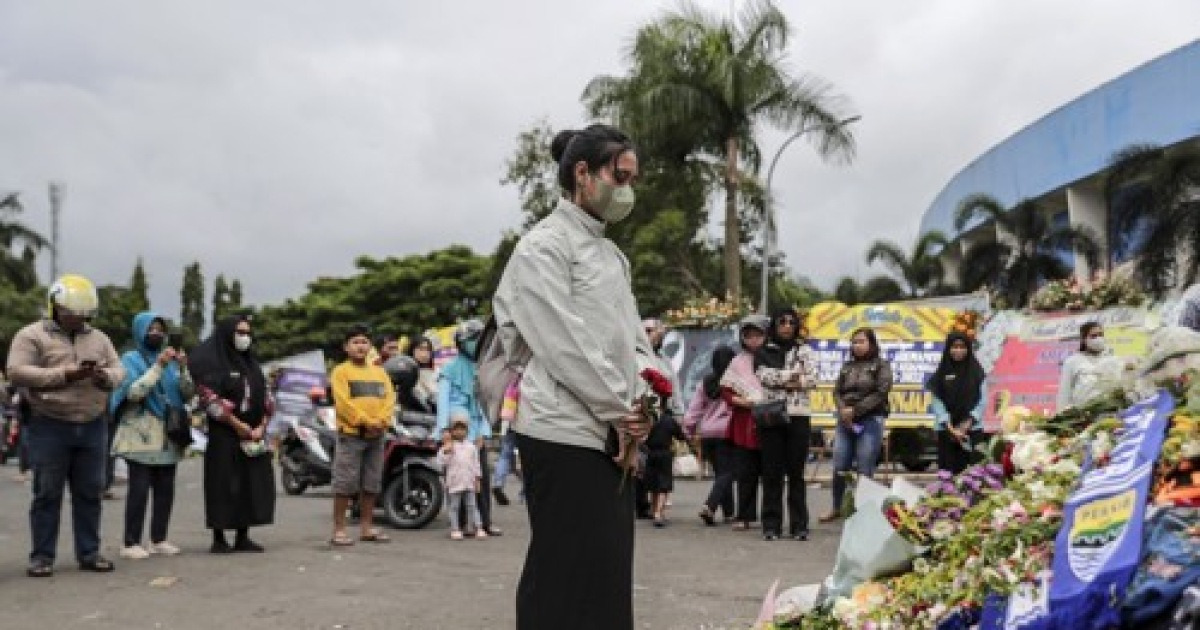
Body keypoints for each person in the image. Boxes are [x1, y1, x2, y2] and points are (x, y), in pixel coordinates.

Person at [493, 123, 649, 630]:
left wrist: (648, 401)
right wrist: (624, 412)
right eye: (618, 175)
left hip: (612, 433)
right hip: (561, 431)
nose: (626, 189)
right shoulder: (543, 247)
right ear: (583, 173)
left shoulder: (611, 255)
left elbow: (637, 345)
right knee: (562, 574)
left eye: (632, 179)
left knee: (605, 577)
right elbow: (564, 346)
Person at [7, 274, 125, 577]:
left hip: (92, 424)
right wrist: (65, 375)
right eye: (73, 312)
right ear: (55, 306)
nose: (79, 318)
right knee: (47, 493)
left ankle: (89, 552)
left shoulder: (99, 338)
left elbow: (118, 369)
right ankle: (42, 557)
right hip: (50, 425)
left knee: (90, 492)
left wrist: (104, 378)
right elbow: (17, 371)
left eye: (85, 313)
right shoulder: (31, 335)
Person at [110, 312, 195, 559]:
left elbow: (188, 394)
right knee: (139, 488)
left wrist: (182, 368)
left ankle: (159, 538)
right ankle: (130, 542)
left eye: (160, 329)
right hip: (140, 433)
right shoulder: (130, 359)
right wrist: (158, 366)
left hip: (168, 433)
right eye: (151, 329)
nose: (156, 333)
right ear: (140, 331)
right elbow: (134, 392)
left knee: (165, 488)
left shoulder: (172, 364)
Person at [191, 314, 276, 553]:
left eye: (248, 333)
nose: (244, 337)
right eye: (240, 332)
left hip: (252, 434)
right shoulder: (214, 365)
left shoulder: (252, 364)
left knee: (251, 484)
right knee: (223, 485)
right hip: (224, 435)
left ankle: (243, 535)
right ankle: (219, 537)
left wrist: (262, 424)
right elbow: (210, 399)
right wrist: (236, 424)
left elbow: (267, 397)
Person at [328, 324, 395, 546]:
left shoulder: (380, 372)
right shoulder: (340, 371)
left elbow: (389, 400)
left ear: (370, 346)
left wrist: (382, 421)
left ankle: (366, 528)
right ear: (346, 347)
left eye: (364, 342)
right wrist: (367, 422)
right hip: (351, 435)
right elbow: (343, 404)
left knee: (371, 483)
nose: (360, 346)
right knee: (345, 484)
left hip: (376, 436)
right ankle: (339, 530)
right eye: (355, 342)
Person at [755, 308, 819, 541]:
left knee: (796, 473)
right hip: (772, 416)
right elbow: (763, 376)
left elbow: (812, 379)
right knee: (771, 473)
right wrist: (791, 376)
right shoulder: (764, 350)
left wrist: (782, 378)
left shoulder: (805, 350)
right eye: (782, 321)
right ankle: (771, 525)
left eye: (792, 322)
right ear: (774, 324)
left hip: (798, 415)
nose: (787, 326)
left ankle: (799, 525)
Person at [435, 319, 501, 536]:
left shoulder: (483, 368)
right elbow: (443, 402)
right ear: (461, 342)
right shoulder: (450, 369)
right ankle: (460, 523)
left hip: (476, 431)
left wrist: (483, 432)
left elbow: (483, 403)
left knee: (480, 478)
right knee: (456, 480)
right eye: (473, 339)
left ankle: (485, 522)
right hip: (456, 429)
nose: (477, 343)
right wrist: (445, 431)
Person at [821, 327, 893, 523]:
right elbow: (836, 391)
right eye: (854, 342)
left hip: (870, 419)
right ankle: (836, 507)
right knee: (839, 465)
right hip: (845, 421)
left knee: (865, 467)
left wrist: (856, 410)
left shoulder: (881, 365)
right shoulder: (847, 366)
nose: (857, 345)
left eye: (862, 341)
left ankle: (863, 511)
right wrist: (844, 409)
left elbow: (881, 392)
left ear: (871, 343)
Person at [721, 315, 769, 532]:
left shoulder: (773, 358)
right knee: (745, 472)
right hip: (745, 420)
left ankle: (771, 516)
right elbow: (726, 390)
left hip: (770, 419)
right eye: (748, 336)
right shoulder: (738, 362)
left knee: (770, 472)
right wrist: (743, 401)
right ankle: (745, 515)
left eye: (758, 335)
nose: (753, 340)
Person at [682, 346, 736, 526]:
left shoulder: (705, 383)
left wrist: (688, 430)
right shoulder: (735, 383)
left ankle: (729, 513)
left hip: (707, 434)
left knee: (721, 473)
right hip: (727, 432)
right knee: (727, 472)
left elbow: (694, 410)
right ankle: (710, 506)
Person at [928, 332, 987, 474]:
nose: (958, 350)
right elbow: (937, 401)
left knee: (973, 476)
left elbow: (983, 399)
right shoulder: (941, 373)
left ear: (968, 349)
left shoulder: (977, 373)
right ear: (948, 348)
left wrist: (967, 424)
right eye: (954, 346)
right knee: (948, 476)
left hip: (972, 430)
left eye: (962, 347)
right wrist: (950, 427)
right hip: (947, 431)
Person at [641, 379, 686, 528]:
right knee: (663, 485)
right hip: (665, 454)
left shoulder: (649, 417)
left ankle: (654, 511)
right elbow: (680, 436)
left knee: (653, 484)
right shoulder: (669, 419)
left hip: (650, 453)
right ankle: (659, 514)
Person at [437, 413, 486, 540]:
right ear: (451, 431)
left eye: (462, 428)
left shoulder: (471, 447)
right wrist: (447, 450)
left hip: (469, 482)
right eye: (456, 429)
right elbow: (441, 462)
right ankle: (455, 528)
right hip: (454, 482)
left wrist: (477, 479)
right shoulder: (448, 447)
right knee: (454, 507)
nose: (460, 431)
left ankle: (475, 527)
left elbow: (476, 464)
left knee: (472, 505)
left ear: (467, 430)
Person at [1056, 321, 1124, 412]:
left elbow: (1120, 386)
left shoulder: (1113, 359)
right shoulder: (1072, 361)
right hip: (1083, 414)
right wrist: (1062, 414)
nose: (1098, 338)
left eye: (1101, 335)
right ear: (1084, 339)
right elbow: (1064, 393)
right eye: (1093, 336)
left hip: (1110, 412)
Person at [409, 335, 438, 412]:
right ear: (412, 350)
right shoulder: (406, 372)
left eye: (428, 349)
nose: (425, 353)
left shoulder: (436, 372)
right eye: (421, 349)